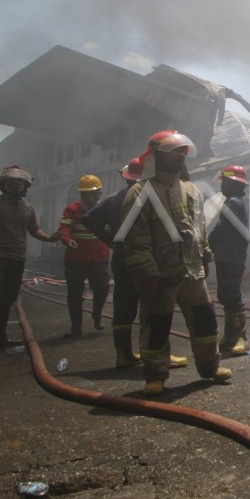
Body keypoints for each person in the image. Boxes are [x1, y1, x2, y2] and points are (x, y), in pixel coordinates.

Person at [120, 130, 231, 397]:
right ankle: (155, 375)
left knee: (205, 322)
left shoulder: (192, 190)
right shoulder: (139, 193)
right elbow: (136, 238)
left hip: (193, 272)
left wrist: (205, 254)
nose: (181, 157)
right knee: (156, 325)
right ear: (156, 156)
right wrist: (146, 271)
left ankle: (210, 367)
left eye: (183, 152)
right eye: (174, 152)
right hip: (160, 274)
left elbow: (199, 227)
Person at [82, 158, 188, 370]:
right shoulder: (155, 198)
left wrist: (112, 240)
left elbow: (89, 219)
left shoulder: (113, 199)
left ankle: (124, 355)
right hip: (150, 261)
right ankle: (159, 356)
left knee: (124, 306)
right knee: (155, 308)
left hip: (123, 260)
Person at [0, 166, 62, 345]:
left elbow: (34, 229)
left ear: (26, 186)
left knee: (8, 296)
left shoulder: (28, 209)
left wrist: (49, 238)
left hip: (16, 257)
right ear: (3, 185)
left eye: (20, 183)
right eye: (12, 183)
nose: (16, 187)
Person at [58, 175, 111, 338]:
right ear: (82, 195)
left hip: (99, 258)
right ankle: (76, 326)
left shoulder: (104, 209)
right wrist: (67, 240)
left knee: (102, 289)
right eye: (88, 194)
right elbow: (64, 228)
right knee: (74, 294)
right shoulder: (72, 210)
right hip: (76, 259)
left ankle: (97, 314)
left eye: (95, 194)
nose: (93, 197)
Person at [208, 164, 250, 356]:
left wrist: (209, 241)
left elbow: (222, 228)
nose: (222, 186)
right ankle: (230, 335)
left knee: (231, 296)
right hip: (229, 256)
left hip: (231, 256)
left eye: (225, 182)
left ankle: (240, 337)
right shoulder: (235, 201)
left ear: (234, 184)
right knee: (226, 295)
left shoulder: (233, 202)